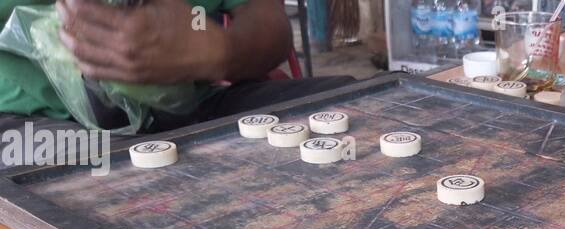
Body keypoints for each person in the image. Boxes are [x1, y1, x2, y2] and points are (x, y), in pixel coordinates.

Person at [0, 0, 354, 137]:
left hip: (193, 107)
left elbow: (272, 28)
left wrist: (220, 49)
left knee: (353, 107)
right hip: (36, 122)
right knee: (66, 195)